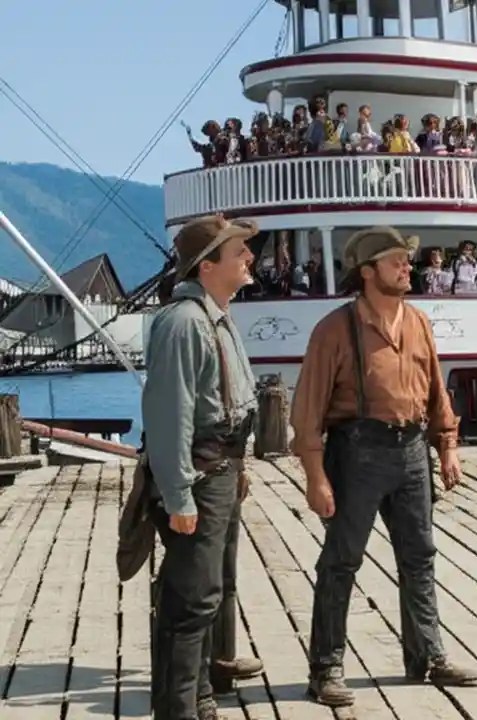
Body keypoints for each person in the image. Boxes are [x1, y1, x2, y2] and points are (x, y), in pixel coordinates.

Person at [290, 226, 477, 707]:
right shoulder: (334, 329)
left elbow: (435, 388)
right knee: (341, 561)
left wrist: (448, 446)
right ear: (369, 271)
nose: (407, 267)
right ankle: (325, 667)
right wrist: (315, 475)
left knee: (420, 557)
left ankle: (426, 657)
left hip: (413, 450)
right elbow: (307, 409)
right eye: (396, 260)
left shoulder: (417, 321)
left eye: (405, 260)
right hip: (358, 451)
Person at [140, 214, 262, 720]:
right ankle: (178, 710)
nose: (249, 258)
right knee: (190, 600)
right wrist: (179, 496)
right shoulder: (185, 322)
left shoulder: (216, 316)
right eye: (238, 252)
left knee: (210, 589)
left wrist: (239, 468)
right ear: (207, 265)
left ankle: (199, 696)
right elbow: (171, 415)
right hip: (200, 475)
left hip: (221, 470)